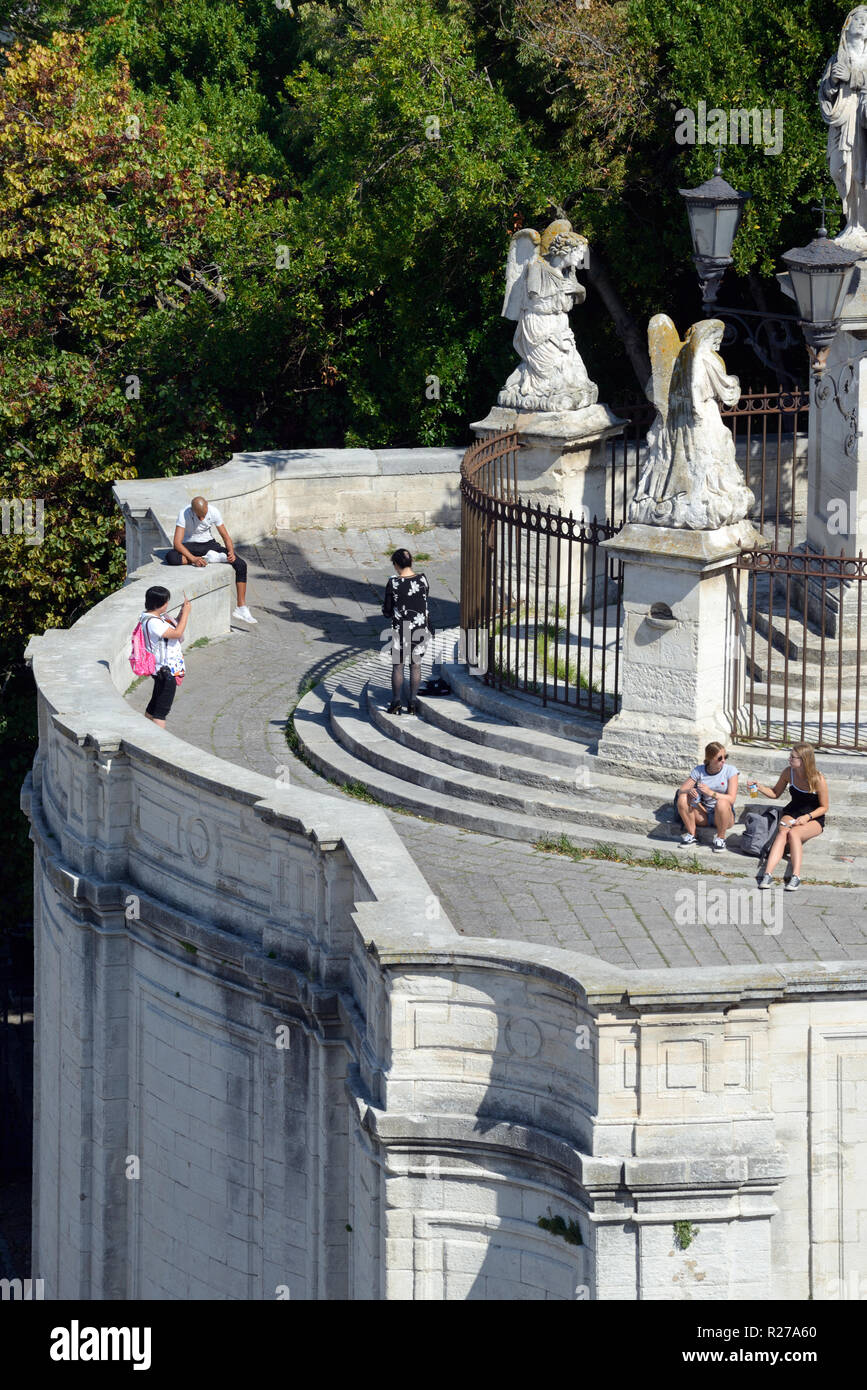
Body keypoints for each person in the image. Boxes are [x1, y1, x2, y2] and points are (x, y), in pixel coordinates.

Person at [745, 744, 829, 892]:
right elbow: (775, 793)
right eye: (790, 756)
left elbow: (824, 807)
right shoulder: (788, 772)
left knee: (794, 833)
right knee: (783, 832)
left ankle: (796, 876)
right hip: (793, 810)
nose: (789, 759)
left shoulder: (818, 779)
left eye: (793, 757)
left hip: (813, 816)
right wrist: (760, 787)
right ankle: (767, 874)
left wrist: (807, 817)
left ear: (803, 760)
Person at [165, 495, 256, 624]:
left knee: (241, 564)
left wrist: (231, 552)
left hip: (208, 544)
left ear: (207, 506)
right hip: (189, 545)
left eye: (204, 515)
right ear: (192, 511)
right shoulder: (184, 513)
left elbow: (225, 536)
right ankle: (209, 558)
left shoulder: (214, 511)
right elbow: (177, 543)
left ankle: (241, 607)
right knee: (171, 557)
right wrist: (193, 559)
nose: (202, 519)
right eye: (199, 516)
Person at [381, 548, 434, 715]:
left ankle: (396, 701)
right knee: (416, 665)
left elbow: (387, 610)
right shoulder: (423, 579)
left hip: (400, 629)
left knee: (398, 666)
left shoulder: (394, 583)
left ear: (396, 565)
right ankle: (412, 702)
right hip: (420, 629)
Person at [674, 741, 739, 853]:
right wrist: (690, 790)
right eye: (719, 758)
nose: (723, 760)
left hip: (725, 815)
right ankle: (692, 834)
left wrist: (710, 793)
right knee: (683, 798)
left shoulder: (730, 771)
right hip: (704, 813)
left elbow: (732, 799)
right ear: (710, 759)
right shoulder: (699, 770)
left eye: (725, 757)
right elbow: (681, 790)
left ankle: (721, 838)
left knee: (722, 802)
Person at [139, 585, 190, 728]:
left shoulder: (153, 617)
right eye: (166, 602)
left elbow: (173, 628)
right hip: (166, 671)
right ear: (158, 604)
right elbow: (177, 634)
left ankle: (145, 730)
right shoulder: (154, 623)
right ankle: (156, 744)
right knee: (161, 712)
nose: (167, 604)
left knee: (154, 705)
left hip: (160, 669)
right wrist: (186, 613)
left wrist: (181, 614)